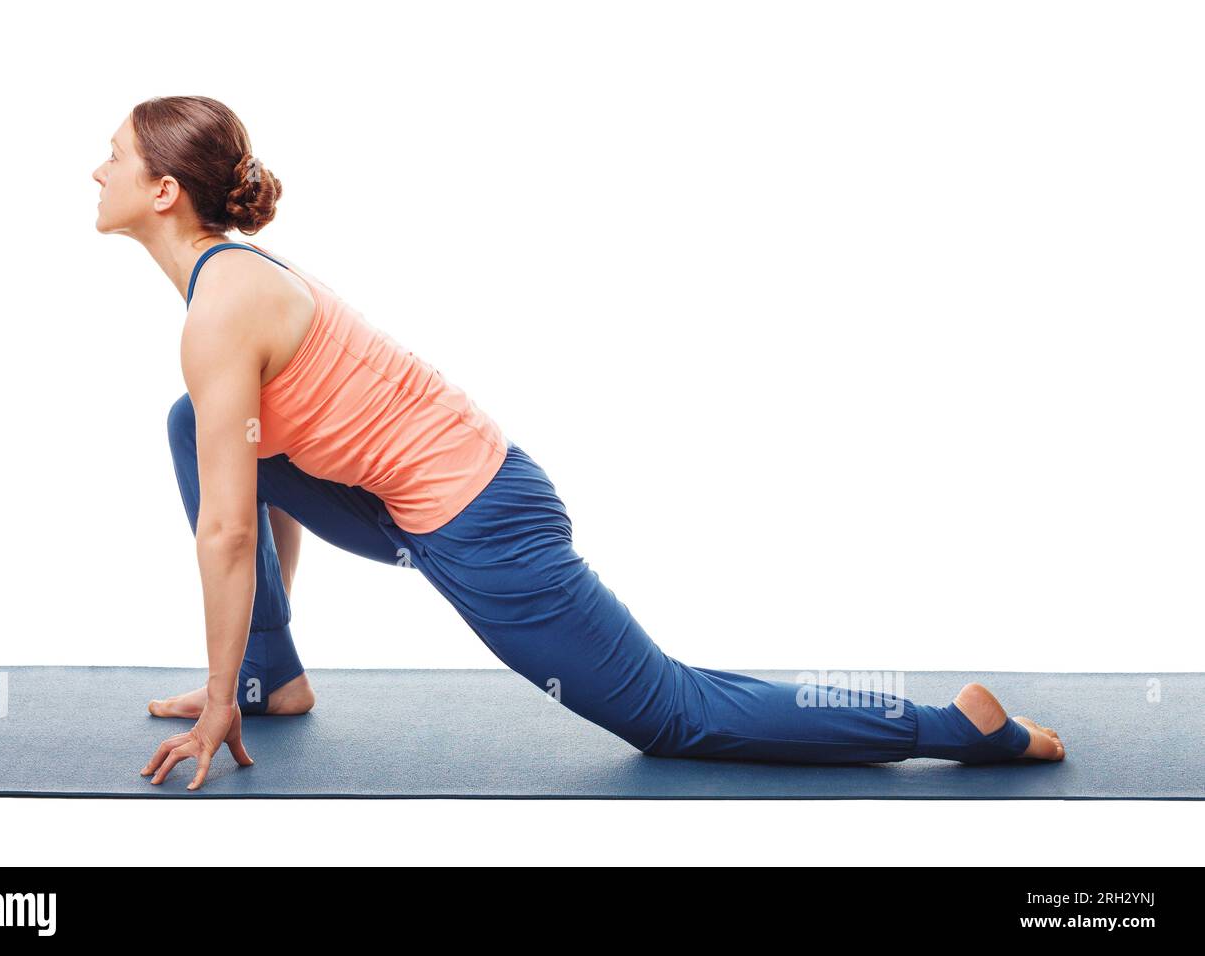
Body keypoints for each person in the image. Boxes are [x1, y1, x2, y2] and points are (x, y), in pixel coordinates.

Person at [93, 95, 1065, 791]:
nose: (97, 171)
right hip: (406, 504)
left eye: (113, 157)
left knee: (671, 715)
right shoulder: (227, 287)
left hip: (481, 518)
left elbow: (227, 530)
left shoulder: (221, 307)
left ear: (166, 189)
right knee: (200, 427)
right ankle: (277, 671)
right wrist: (248, 667)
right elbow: (247, 473)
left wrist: (215, 699)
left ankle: (957, 728)